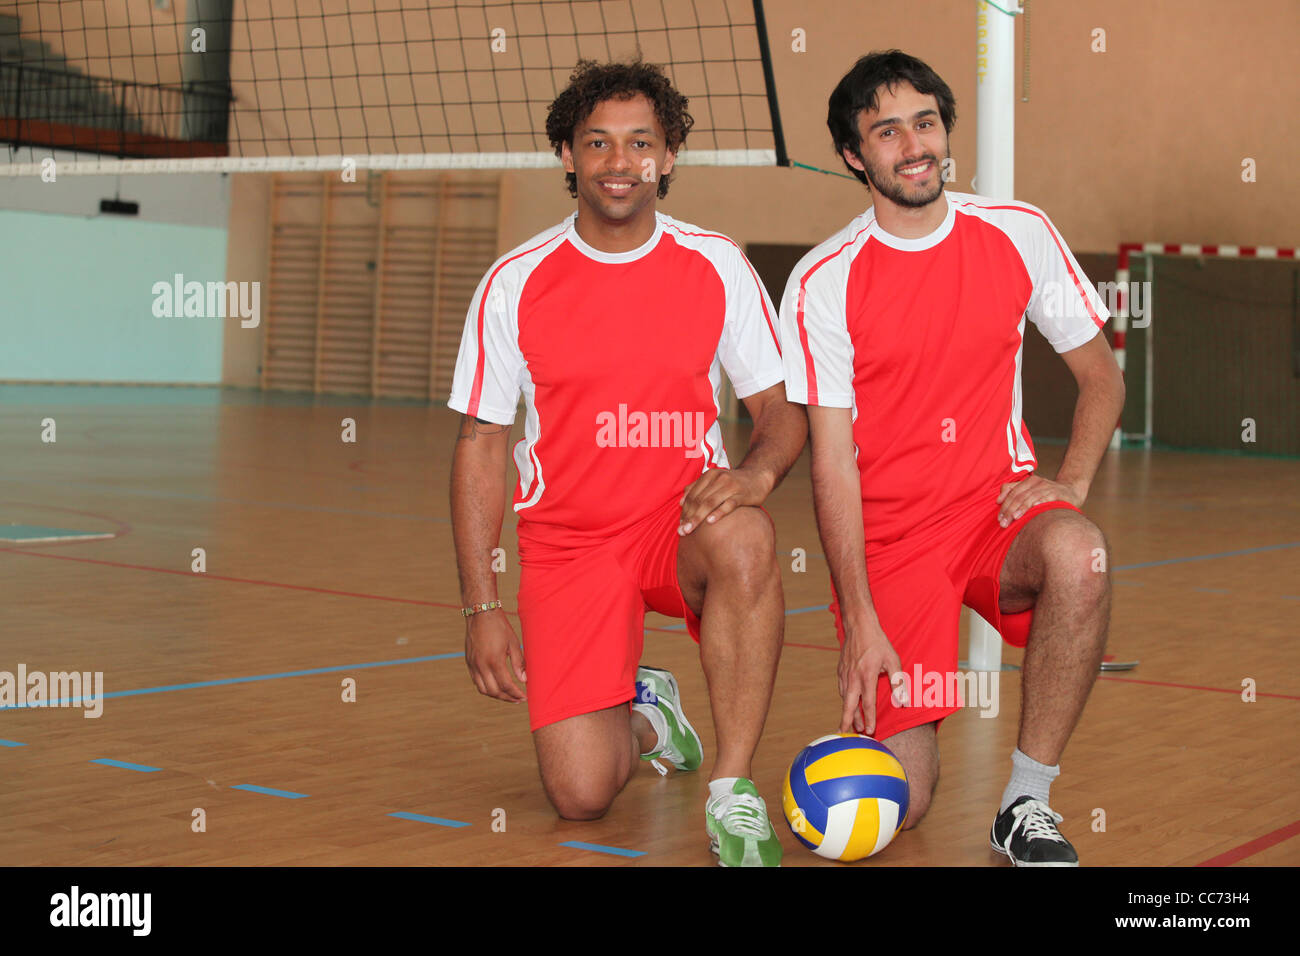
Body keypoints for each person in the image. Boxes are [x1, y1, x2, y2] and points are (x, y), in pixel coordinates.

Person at [448, 59, 806, 867]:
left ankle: (732, 788)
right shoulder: (515, 283)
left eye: (640, 142)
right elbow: (479, 444)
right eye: (598, 143)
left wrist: (754, 476)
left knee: (747, 534)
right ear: (567, 157)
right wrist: (482, 606)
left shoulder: (715, 263)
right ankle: (653, 716)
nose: (619, 161)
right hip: (570, 545)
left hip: (677, 524)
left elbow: (781, 411)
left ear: (668, 156)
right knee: (580, 797)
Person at [780, 50, 1125, 866]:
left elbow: (1100, 377)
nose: (914, 146)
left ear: (946, 132)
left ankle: (1025, 801)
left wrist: (1068, 483)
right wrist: (860, 618)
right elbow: (831, 463)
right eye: (887, 131)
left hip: (992, 514)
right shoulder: (823, 281)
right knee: (904, 799)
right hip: (893, 543)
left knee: (1081, 555)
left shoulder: (1017, 232)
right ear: (854, 156)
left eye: (926, 123)